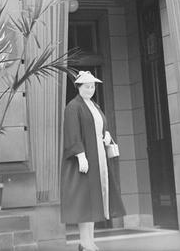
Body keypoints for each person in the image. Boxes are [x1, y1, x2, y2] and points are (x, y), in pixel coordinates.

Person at [60, 71, 125, 251]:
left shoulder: (94, 105)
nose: (90, 89)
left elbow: (101, 125)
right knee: (84, 201)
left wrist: (106, 134)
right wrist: (80, 155)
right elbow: (72, 132)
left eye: (93, 86)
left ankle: (90, 241)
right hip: (85, 160)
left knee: (95, 201)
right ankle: (84, 241)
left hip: (98, 158)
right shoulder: (73, 107)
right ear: (79, 87)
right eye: (87, 86)